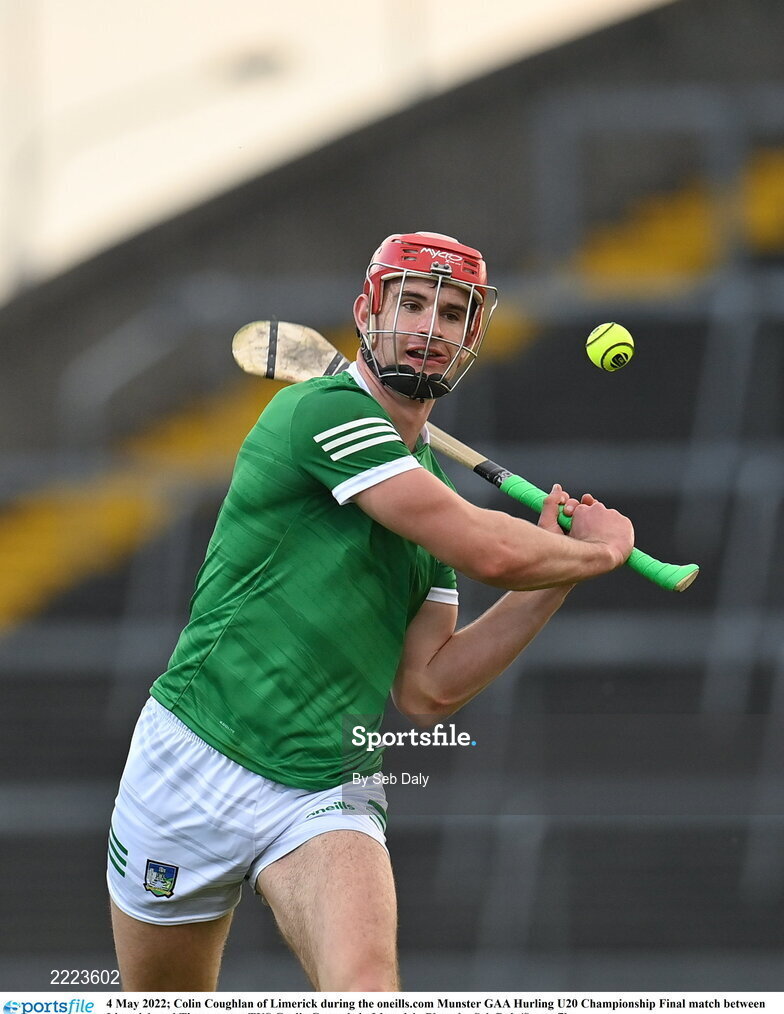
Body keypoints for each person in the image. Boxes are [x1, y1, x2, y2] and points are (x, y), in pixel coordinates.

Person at [107, 231, 634, 991]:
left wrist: (556, 577)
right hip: (193, 757)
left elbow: (430, 688)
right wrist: (597, 552)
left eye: (451, 314)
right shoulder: (319, 412)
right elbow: (490, 550)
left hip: (326, 787)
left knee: (367, 991)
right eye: (412, 303)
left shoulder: (429, 499)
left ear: (470, 339)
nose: (429, 327)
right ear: (367, 312)